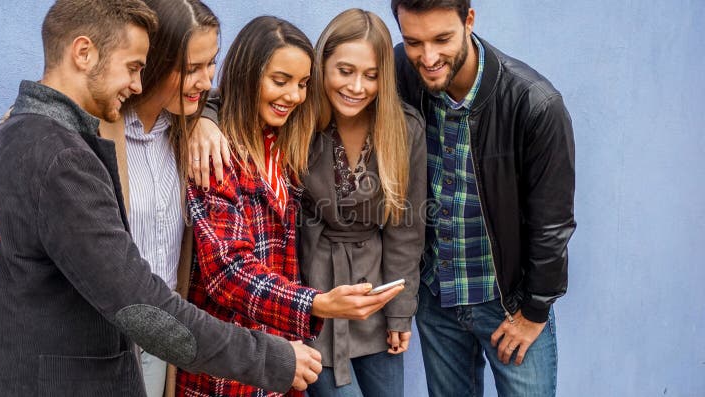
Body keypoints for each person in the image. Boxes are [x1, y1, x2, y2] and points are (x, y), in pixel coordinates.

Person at [0, 1, 322, 396]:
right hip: (72, 368)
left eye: (210, 65)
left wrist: (206, 120)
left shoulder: (184, 129)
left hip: (149, 348)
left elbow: (226, 99)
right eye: (134, 68)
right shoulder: (66, 152)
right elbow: (137, 301)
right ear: (84, 52)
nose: (138, 84)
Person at [178, 16, 404, 397]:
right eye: (279, 81)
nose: (294, 96)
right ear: (246, 75)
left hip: (281, 363)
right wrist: (316, 303)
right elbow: (228, 272)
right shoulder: (214, 156)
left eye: (301, 84)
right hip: (227, 371)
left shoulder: (284, 145)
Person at [389, 1, 576, 396]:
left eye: (442, 39)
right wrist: (217, 118)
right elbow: (327, 95)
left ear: (469, 20)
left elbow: (552, 223)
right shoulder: (401, 71)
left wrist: (535, 310)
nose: (429, 57)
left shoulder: (534, 103)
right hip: (435, 293)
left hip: (509, 303)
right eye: (413, 42)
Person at [297, 9, 425, 397]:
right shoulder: (297, 117)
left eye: (371, 75)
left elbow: (406, 229)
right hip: (314, 297)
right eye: (345, 71)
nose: (357, 86)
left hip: (374, 301)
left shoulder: (404, 129)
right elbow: (233, 103)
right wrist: (208, 123)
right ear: (322, 66)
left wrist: (400, 312)